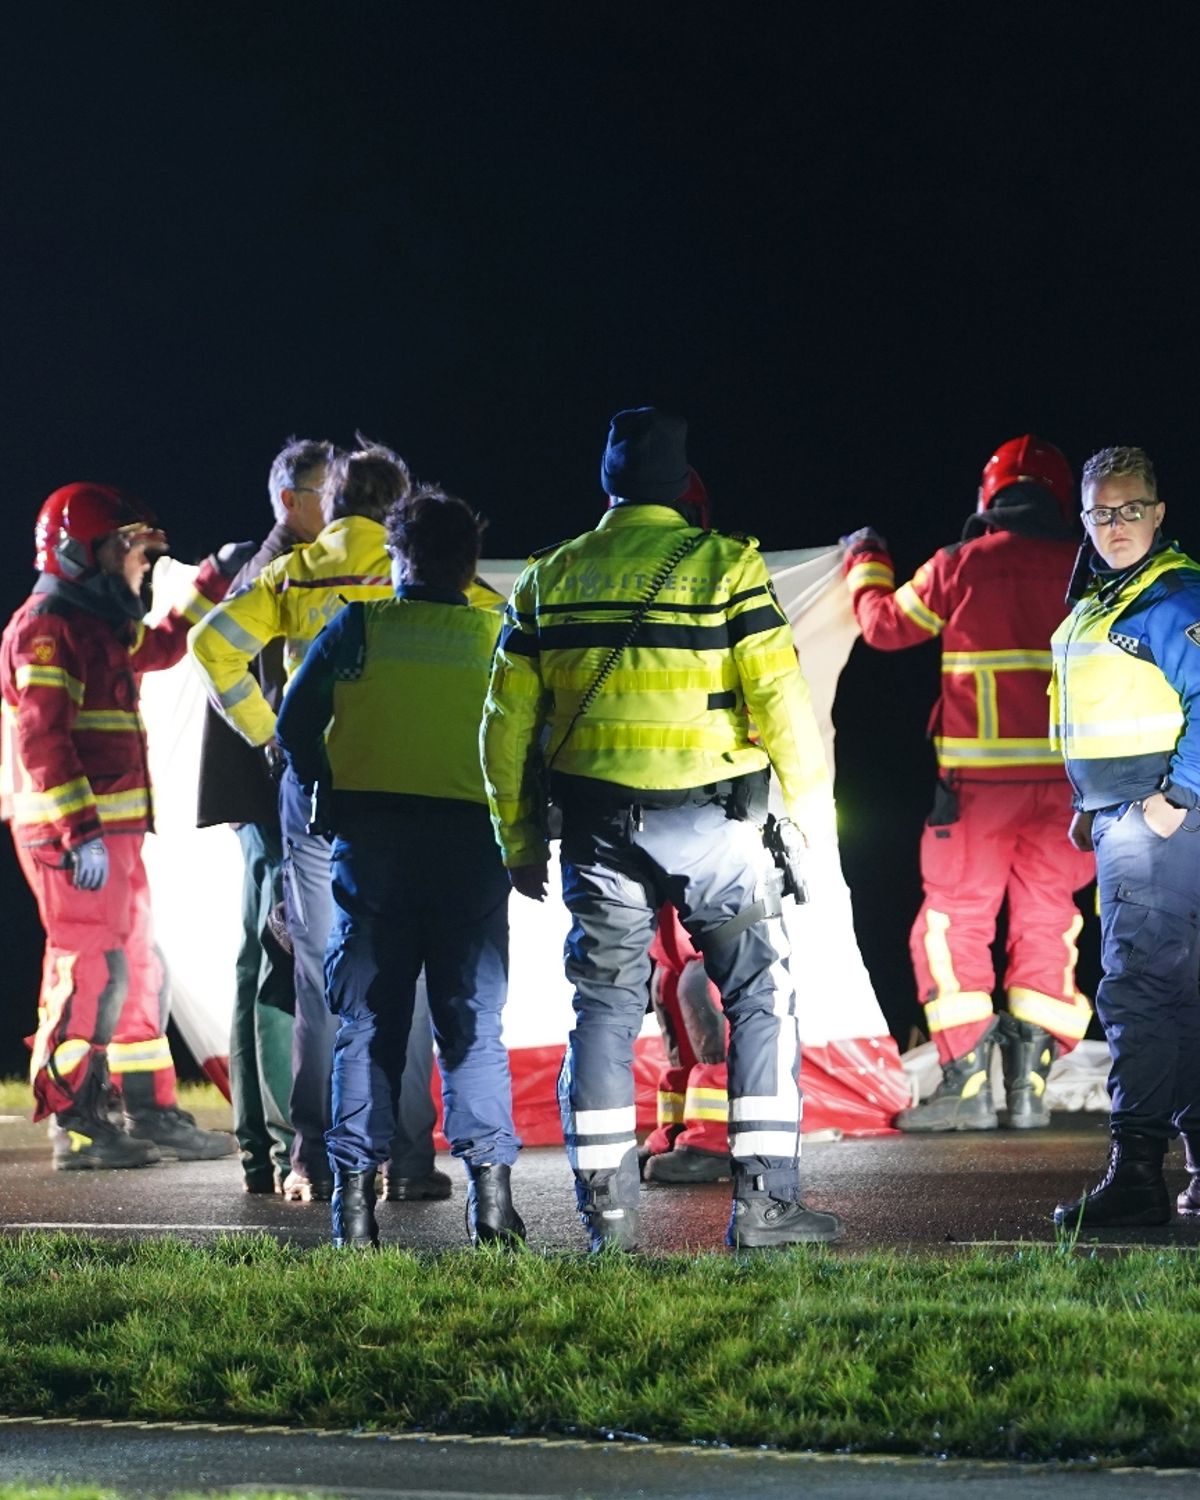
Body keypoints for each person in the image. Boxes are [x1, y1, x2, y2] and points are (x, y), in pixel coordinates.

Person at [481, 405, 843, 1252]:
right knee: (761, 997)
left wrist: (519, 838)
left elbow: (502, 725)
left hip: (600, 830)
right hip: (716, 824)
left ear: (607, 482)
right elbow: (783, 700)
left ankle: (607, 1219)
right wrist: (811, 811)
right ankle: (765, 1206)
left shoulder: (549, 577)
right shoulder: (727, 567)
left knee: (603, 1009)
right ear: (683, 484)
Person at [188, 438, 446, 1205]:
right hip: (406, 786)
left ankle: (316, 1159)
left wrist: (268, 732)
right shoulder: (419, 568)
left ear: (329, 503)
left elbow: (212, 646)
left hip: (317, 791)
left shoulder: (293, 571)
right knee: (410, 972)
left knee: (316, 976)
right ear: (398, 504)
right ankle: (408, 1162)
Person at [276, 484, 523, 1249]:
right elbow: (528, 741)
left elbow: (293, 722)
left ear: (397, 558)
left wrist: (322, 787)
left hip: (373, 848)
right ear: (469, 564)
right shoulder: (498, 635)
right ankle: (491, 1204)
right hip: (469, 851)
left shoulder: (358, 625)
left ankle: (352, 1210)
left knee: (367, 1026)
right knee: (472, 1029)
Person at [842, 435, 1095, 1132]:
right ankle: (1029, 1092)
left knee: (954, 922)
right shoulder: (1089, 570)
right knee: (1050, 922)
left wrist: (867, 561)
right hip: (1069, 793)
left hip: (977, 793)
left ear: (990, 498)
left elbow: (885, 628)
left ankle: (969, 1086)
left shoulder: (959, 565)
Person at [0, 482, 246, 1169]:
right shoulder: (47, 628)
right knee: (90, 973)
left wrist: (212, 580)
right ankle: (75, 1123)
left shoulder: (95, 623)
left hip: (114, 834)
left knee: (139, 968)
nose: (139, 563)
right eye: (129, 549)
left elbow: (163, 648)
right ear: (87, 552)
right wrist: (80, 833)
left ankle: (150, 1113)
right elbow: (42, 743)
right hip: (72, 839)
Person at [1050, 446, 1200, 1228]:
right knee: (1181, 996)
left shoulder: (1168, 598)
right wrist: (1090, 800)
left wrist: (1180, 795)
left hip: (1160, 821)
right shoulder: (1110, 599)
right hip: (1127, 813)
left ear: (1158, 512)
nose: (1115, 525)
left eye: (1130, 509)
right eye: (1101, 512)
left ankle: (1137, 1178)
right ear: (1084, 516)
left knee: (1138, 991)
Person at [195, 438, 333, 1194]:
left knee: (261, 961)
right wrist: (275, 740)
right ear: (292, 500)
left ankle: (262, 1149)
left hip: (262, 797)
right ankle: (284, 1152)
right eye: (327, 493)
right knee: (282, 964)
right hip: (275, 799)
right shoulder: (281, 573)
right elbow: (218, 656)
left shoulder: (270, 566)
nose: (339, 508)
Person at [640, 903, 732, 1183]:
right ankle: (678, 1132)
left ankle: (715, 1143)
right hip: (674, 948)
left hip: (710, 929)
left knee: (703, 990)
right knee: (671, 986)